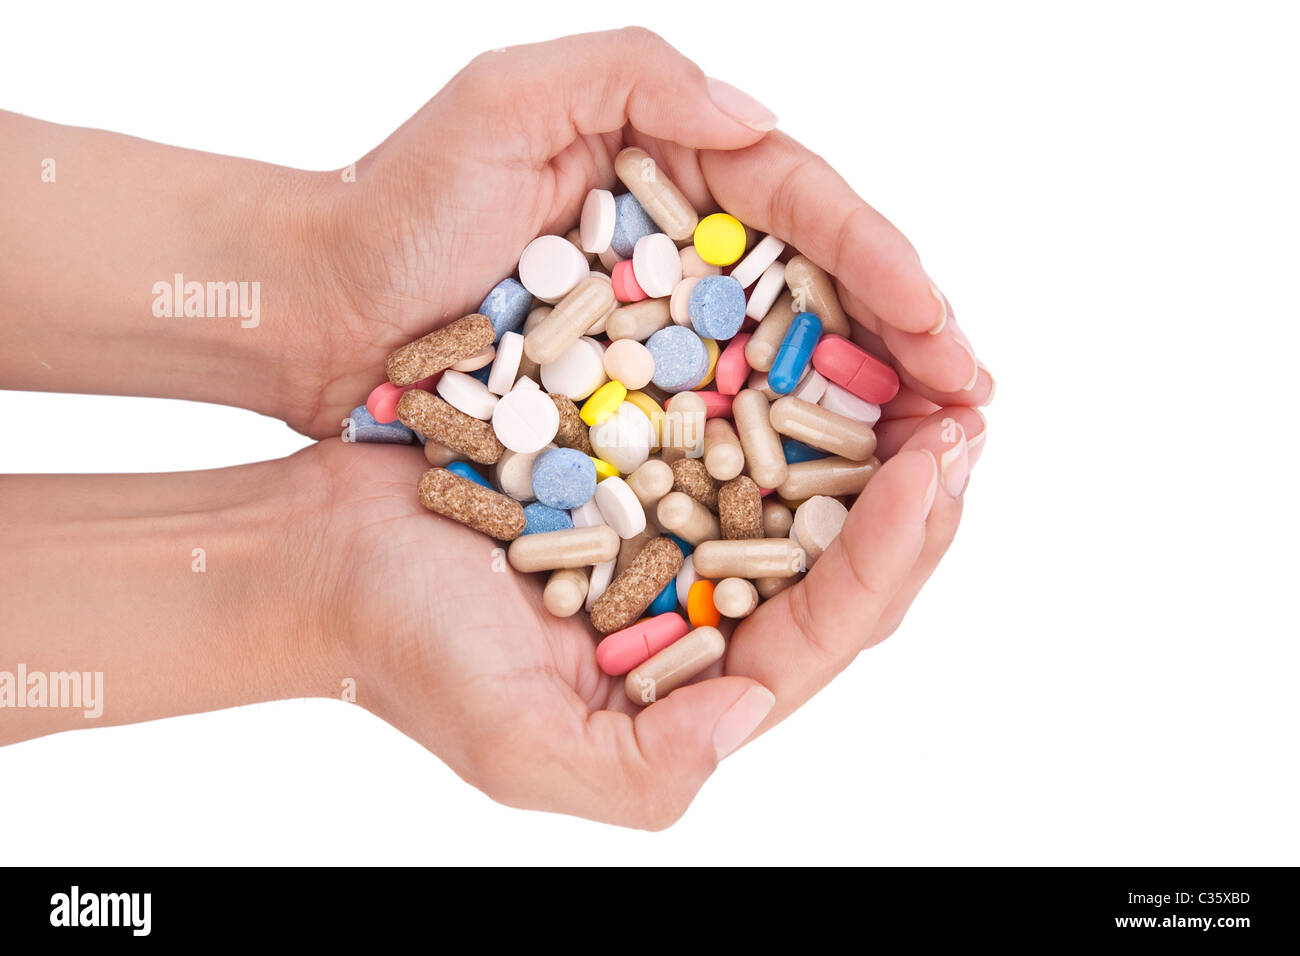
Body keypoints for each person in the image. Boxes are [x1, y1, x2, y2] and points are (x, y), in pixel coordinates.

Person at [0, 28, 991, 828]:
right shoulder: (610, 381)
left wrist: (329, 578)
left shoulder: (703, 414)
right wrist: (324, 285)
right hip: (589, 428)